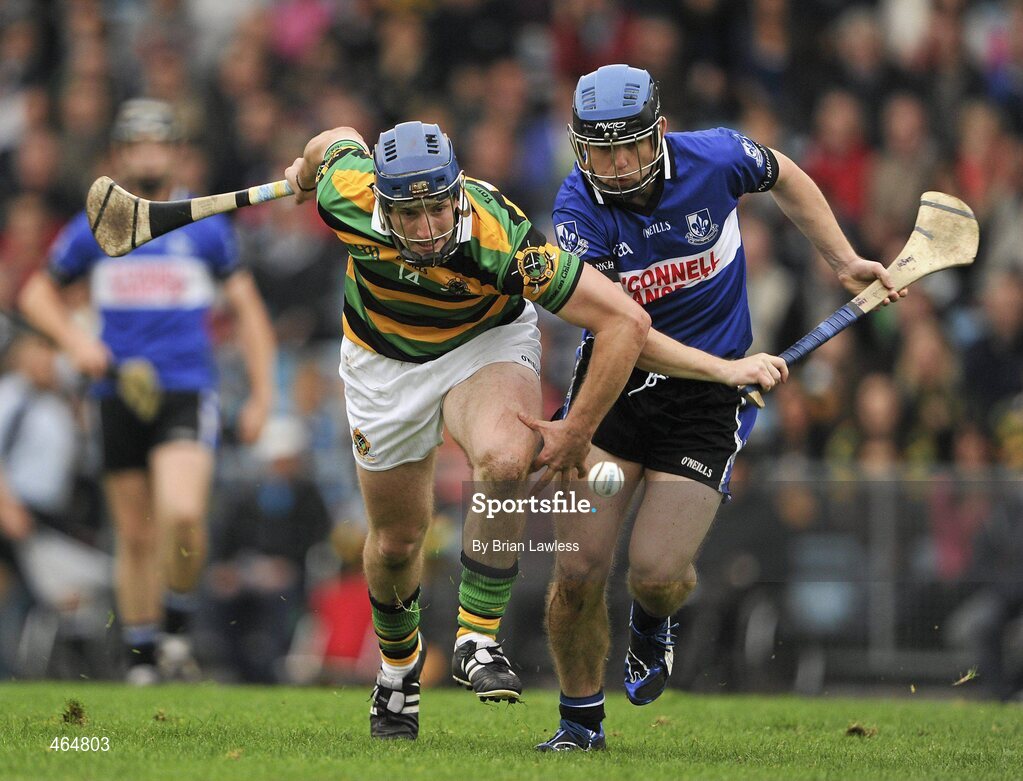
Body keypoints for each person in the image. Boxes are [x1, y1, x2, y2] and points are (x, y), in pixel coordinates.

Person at [535, 64, 902, 751]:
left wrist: (841, 258)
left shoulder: (716, 157)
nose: (614, 166)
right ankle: (579, 722)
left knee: (656, 573)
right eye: (599, 150)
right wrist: (728, 366)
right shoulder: (576, 208)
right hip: (613, 389)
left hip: (704, 409)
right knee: (578, 570)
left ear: (660, 135)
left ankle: (652, 621)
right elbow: (627, 339)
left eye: (629, 147)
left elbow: (785, 173)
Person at [283, 119, 651, 740]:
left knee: (506, 460)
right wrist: (305, 164)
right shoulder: (345, 193)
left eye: (438, 208)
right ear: (382, 204)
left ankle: (476, 640)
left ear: (456, 192)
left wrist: (579, 429)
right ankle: (398, 671)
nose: (427, 228)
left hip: (484, 343)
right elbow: (336, 138)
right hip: (382, 362)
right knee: (397, 541)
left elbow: (626, 323)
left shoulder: (504, 243)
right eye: (410, 215)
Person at [18, 98, 276, 684]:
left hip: (186, 388)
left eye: (159, 143)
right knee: (133, 535)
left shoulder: (205, 225)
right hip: (116, 394)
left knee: (182, 516)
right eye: (136, 145)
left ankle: (177, 634)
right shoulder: (98, 224)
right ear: (119, 154)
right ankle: (142, 658)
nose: (148, 155)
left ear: (178, 152)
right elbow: (36, 294)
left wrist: (263, 396)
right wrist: (74, 343)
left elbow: (251, 315)